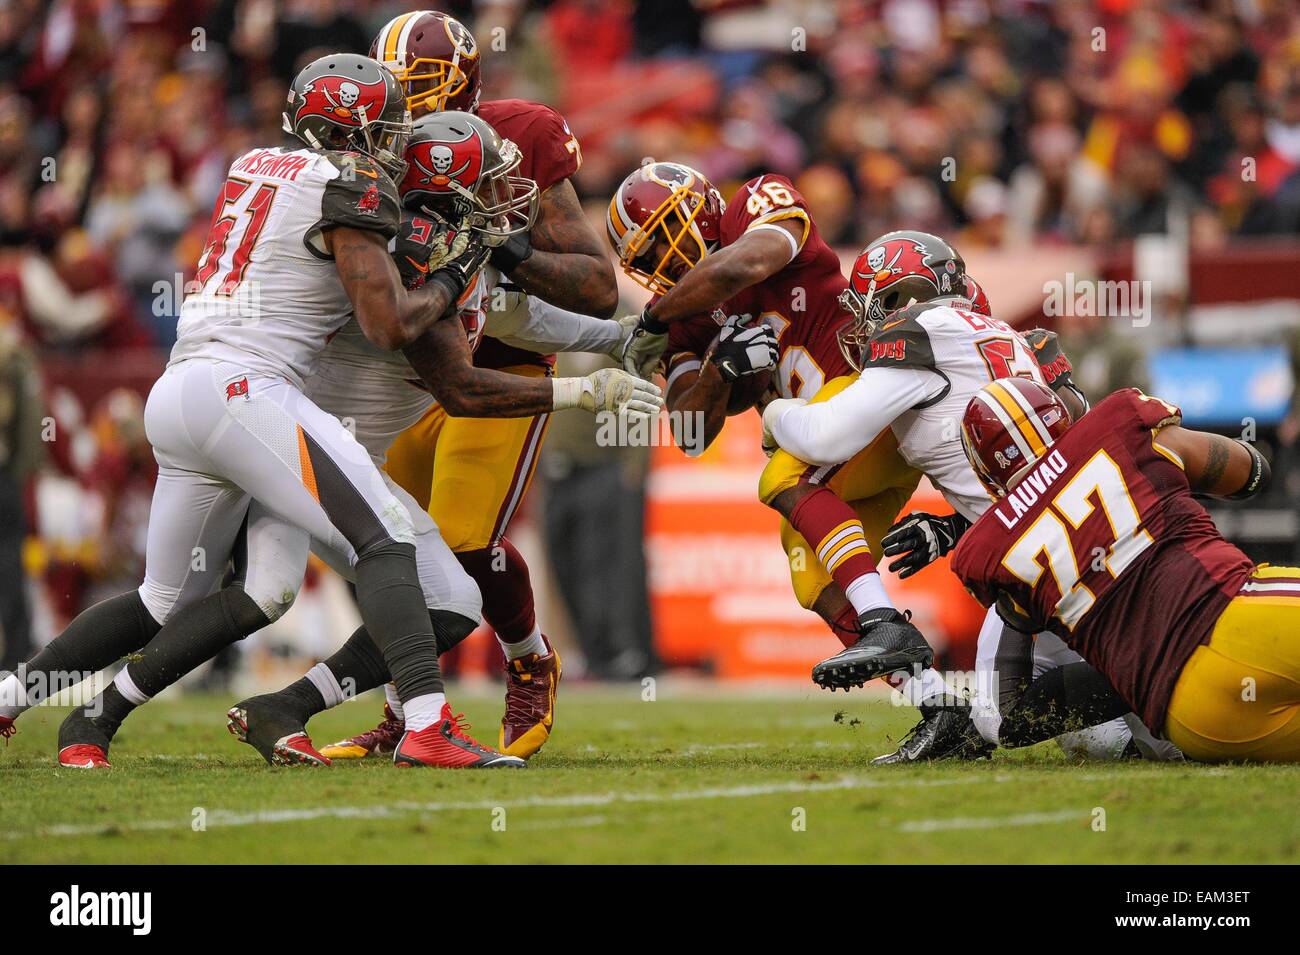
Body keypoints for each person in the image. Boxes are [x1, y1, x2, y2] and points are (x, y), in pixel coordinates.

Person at [0, 56, 654, 770]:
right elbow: (409, 336)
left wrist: (621, 338)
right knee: (386, 541)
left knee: (213, 594)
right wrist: (554, 367)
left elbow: (519, 315)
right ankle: (427, 725)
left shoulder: (265, 164)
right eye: (484, 185)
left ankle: (50, 707)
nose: (394, 147)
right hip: (258, 403)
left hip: (196, 391)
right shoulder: (367, 208)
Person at [326, 10, 622, 762]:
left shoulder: (519, 135)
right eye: (390, 86)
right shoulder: (365, 156)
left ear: (461, 81)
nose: (404, 102)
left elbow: (595, 286)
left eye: (418, 84)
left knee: (459, 544)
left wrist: (501, 245)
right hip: (409, 374)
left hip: (500, 365)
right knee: (386, 550)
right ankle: (410, 708)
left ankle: (526, 653)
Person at [760, 231, 1173, 762]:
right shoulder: (1014, 338)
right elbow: (1023, 466)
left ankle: (1141, 672)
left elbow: (824, 436)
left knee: (998, 718)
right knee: (1111, 744)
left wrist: (773, 413)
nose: (864, 325)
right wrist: (953, 526)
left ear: (900, 299)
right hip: (1088, 539)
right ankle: (1146, 676)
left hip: (1045, 566)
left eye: (873, 306)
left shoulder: (918, 333)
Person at [951, 379, 1297, 763]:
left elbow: (1006, 715)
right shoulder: (1119, 423)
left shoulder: (991, 551)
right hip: (1240, 615)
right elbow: (1252, 473)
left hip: (1189, 716)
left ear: (987, 477)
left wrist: (1135, 676)